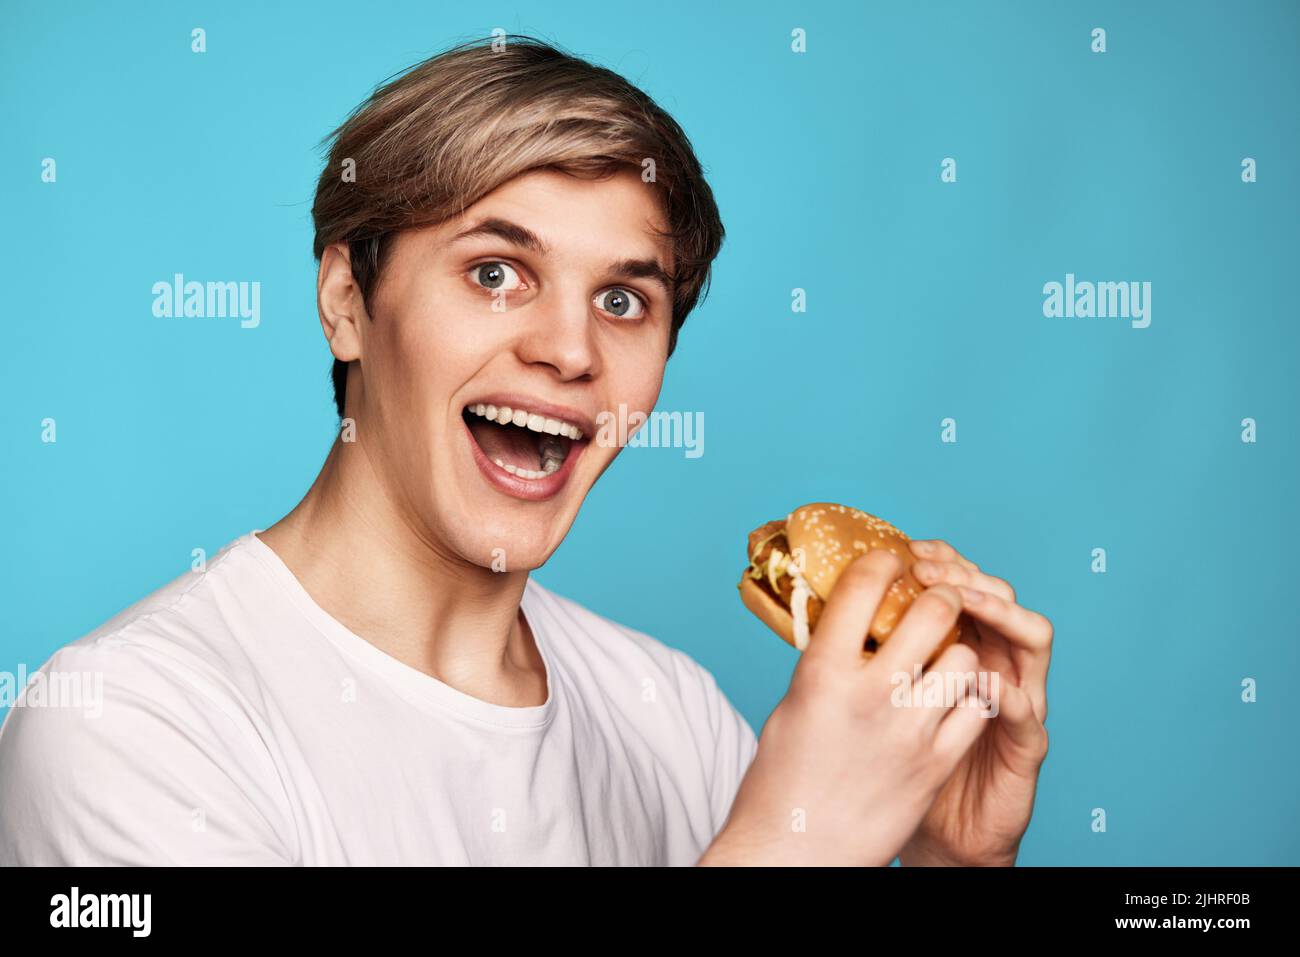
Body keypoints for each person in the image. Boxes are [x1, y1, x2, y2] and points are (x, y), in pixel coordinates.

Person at [0, 36, 1051, 866]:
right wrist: (790, 848)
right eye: (495, 272)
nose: (566, 350)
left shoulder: (673, 713)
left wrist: (952, 868)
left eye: (623, 299)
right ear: (346, 303)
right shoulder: (128, 733)